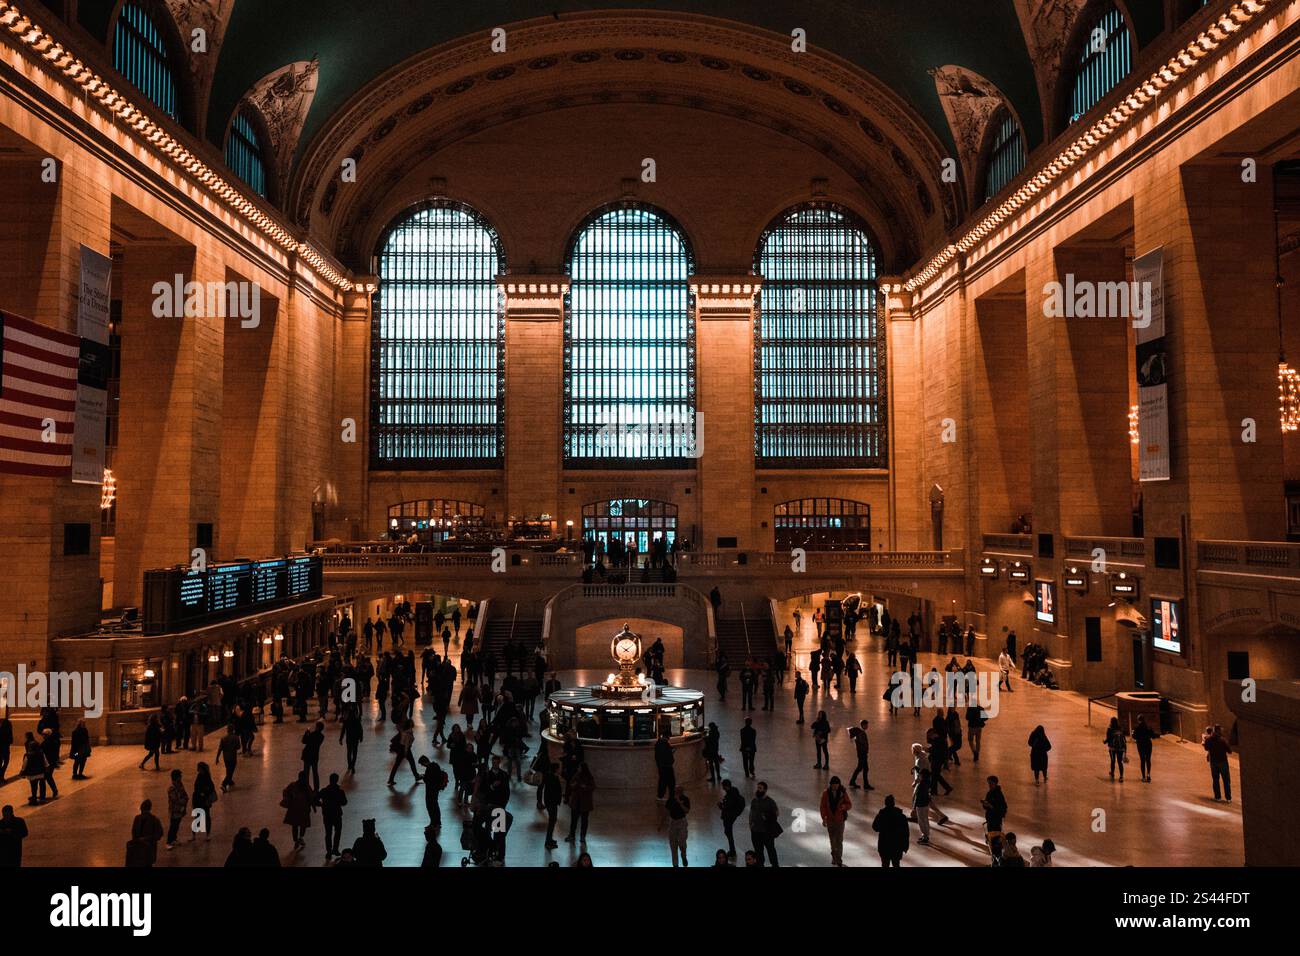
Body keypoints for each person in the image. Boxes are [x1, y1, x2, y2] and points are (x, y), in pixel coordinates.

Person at [819, 776, 851, 867]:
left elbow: (849, 804)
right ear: (831, 785)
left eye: (837, 785)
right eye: (834, 785)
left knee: (839, 840)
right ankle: (834, 856)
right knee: (833, 840)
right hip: (830, 820)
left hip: (840, 820)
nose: (835, 787)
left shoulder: (843, 792)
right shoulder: (826, 793)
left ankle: (839, 860)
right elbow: (823, 806)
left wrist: (844, 807)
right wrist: (824, 817)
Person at [748, 780, 781, 867]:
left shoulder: (770, 802)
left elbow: (777, 813)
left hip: (766, 832)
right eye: (757, 788)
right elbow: (751, 812)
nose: (758, 790)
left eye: (760, 788)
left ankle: (775, 865)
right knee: (758, 852)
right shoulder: (754, 801)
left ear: (765, 790)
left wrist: (767, 816)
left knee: (770, 850)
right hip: (755, 831)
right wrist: (750, 824)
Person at [281, 770, 317, 849]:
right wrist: (313, 807)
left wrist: (287, 801)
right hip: (303, 810)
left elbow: (285, 792)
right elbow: (311, 797)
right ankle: (300, 837)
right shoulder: (306, 787)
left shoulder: (293, 785)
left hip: (294, 809)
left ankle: (296, 840)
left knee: (295, 825)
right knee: (302, 825)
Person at [872, 794, 910, 867]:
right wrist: (905, 846)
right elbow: (906, 833)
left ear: (885, 803)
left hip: (884, 845)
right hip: (897, 846)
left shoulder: (881, 815)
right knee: (896, 864)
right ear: (894, 803)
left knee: (885, 864)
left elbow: (875, 827)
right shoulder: (901, 816)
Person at [127, 799, 164, 867]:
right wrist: (147, 839)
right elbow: (159, 834)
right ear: (150, 808)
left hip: (138, 851)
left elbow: (133, 832)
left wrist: (139, 840)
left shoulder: (137, 818)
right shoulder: (154, 819)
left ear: (141, 808)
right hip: (149, 851)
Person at [319, 772, 348, 859]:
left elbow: (315, 798)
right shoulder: (340, 792)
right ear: (337, 780)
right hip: (337, 814)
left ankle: (329, 850)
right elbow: (344, 802)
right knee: (337, 832)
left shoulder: (324, 791)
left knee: (328, 833)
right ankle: (335, 848)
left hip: (327, 815)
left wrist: (321, 804)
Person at [565, 762, 595, 844]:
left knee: (584, 821)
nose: (578, 769)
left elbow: (592, 787)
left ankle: (582, 836)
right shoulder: (577, 775)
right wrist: (575, 785)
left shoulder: (589, 777)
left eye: (579, 767)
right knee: (573, 820)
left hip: (584, 802)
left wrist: (585, 787)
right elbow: (571, 784)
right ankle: (572, 835)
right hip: (576, 801)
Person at [718, 778, 745, 860]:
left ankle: (732, 851)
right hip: (732, 815)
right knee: (728, 832)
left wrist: (720, 805)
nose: (722, 788)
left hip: (729, 816)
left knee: (728, 832)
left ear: (726, 786)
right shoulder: (734, 791)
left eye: (723, 786)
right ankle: (732, 850)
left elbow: (726, 807)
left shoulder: (730, 796)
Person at [1204, 724, 1232, 802]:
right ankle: (1228, 798)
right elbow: (1229, 751)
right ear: (1219, 731)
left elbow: (1206, 748)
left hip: (1213, 762)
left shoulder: (1208, 739)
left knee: (1215, 780)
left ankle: (1217, 797)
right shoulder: (1223, 740)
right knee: (1226, 780)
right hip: (1223, 762)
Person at [387, 719, 418, 786]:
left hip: (401, 748)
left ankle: (391, 779)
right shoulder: (409, 732)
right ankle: (416, 776)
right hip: (405, 749)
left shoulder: (405, 731)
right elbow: (406, 743)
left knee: (397, 764)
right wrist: (406, 751)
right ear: (410, 724)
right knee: (411, 762)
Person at [666, 785, 691, 867]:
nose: (677, 793)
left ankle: (684, 856)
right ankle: (675, 864)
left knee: (682, 843)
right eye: (676, 791)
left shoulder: (685, 799)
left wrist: (680, 803)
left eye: (679, 791)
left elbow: (687, 810)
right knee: (673, 846)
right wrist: (661, 823)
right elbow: (667, 811)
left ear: (682, 792)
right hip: (673, 823)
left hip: (682, 822)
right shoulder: (670, 799)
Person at [191, 762, 216, 840]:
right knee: (202, 817)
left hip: (202, 800)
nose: (198, 770)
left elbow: (210, 788)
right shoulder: (201, 776)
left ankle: (198, 835)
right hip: (200, 800)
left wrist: (203, 793)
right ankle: (200, 834)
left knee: (202, 817)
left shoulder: (205, 777)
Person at [541, 761, 563, 849]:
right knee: (552, 821)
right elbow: (554, 790)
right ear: (556, 769)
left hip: (550, 802)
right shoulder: (552, 778)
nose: (559, 770)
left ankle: (550, 839)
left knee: (552, 821)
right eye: (558, 768)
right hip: (552, 802)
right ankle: (548, 841)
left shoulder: (549, 776)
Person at [165, 769, 188, 849]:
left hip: (180, 810)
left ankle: (174, 839)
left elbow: (185, 795)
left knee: (177, 825)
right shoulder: (172, 788)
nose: (181, 778)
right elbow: (176, 799)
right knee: (173, 826)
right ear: (176, 777)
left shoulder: (180, 785)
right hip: (174, 810)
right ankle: (168, 841)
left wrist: (184, 801)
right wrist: (183, 801)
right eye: (180, 776)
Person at [848, 720, 872, 789]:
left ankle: (857, 782)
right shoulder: (861, 733)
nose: (867, 726)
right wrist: (865, 750)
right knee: (861, 768)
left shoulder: (859, 732)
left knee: (863, 768)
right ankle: (862, 784)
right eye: (866, 725)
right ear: (863, 725)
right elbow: (862, 743)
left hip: (861, 753)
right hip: (862, 753)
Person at [301, 720, 325, 791]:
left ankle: (306, 787)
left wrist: (306, 733)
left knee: (306, 773)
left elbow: (304, 741)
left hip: (307, 755)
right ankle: (316, 788)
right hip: (315, 756)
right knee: (315, 773)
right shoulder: (321, 736)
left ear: (317, 727)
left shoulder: (312, 734)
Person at [215, 724, 240, 791]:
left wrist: (217, 758)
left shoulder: (223, 738)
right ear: (233, 729)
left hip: (226, 757)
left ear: (227, 730)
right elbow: (238, 747)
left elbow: (220, 749)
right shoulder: (236, 737)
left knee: (228, 769)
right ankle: (224, 784)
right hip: (233, 757)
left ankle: (230, 781)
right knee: (231, 771)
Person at [1133, 714, 1155, 782]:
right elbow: (1153, 736)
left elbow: (1134, 736)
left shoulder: (1137, 727)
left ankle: (1143, 777)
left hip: (1140, 745)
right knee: (1148, 759)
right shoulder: (1148, 727)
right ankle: (1148, 775)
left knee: (1142, 760)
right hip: (1148, 744)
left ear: (1138, 720)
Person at [1104, 717, 1128, 781]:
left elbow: (1108, 739)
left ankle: (1112, 773)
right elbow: (1124, 739)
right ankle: (1121, 776)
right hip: (1120, 748)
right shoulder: (1120, 729)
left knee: (1113, 761)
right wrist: (1125, 749)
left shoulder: (1109, 729)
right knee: (1120, 762)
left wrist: (1104, 742)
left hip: (1112, 748)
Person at [654, 730, 675, 801]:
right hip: (666, 766)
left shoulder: (658, 743)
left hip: (661, 766)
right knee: (670, 782)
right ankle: (669, 796)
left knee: (663, 781)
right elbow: (667, 756)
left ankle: (661, 795)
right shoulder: (664, 744)